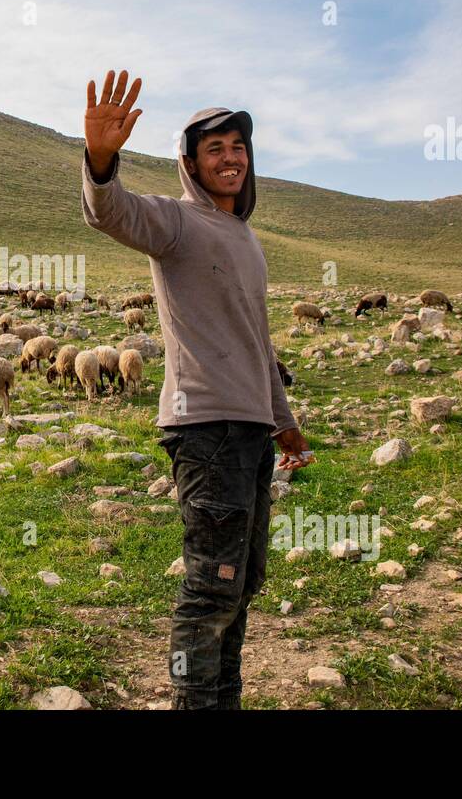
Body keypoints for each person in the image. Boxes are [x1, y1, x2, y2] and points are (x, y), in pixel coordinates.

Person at [79, 68, 313, 710]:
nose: (230, 158)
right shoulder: (177, 223)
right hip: (205, 431)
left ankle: (222, 700)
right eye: (215, 149)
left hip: (251, 432)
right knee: (211, 587)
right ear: (190, 163)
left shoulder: (246, 239)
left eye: (238, 147)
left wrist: (282, 419)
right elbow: (113, 212)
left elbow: (258, 342)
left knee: (243, 582)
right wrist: (102, 162)